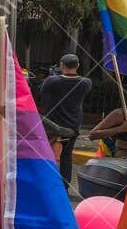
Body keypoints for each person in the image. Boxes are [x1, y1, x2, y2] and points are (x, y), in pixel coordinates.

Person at [38, 54, 92, 186]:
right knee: (66, 157)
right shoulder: (85, 83)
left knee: (46, 155)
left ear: (62, 65)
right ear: (78, 65)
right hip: (72, 126)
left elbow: (41, 93)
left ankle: (46, 183)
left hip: (52, 126)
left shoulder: (52, 81)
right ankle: (65, 186)